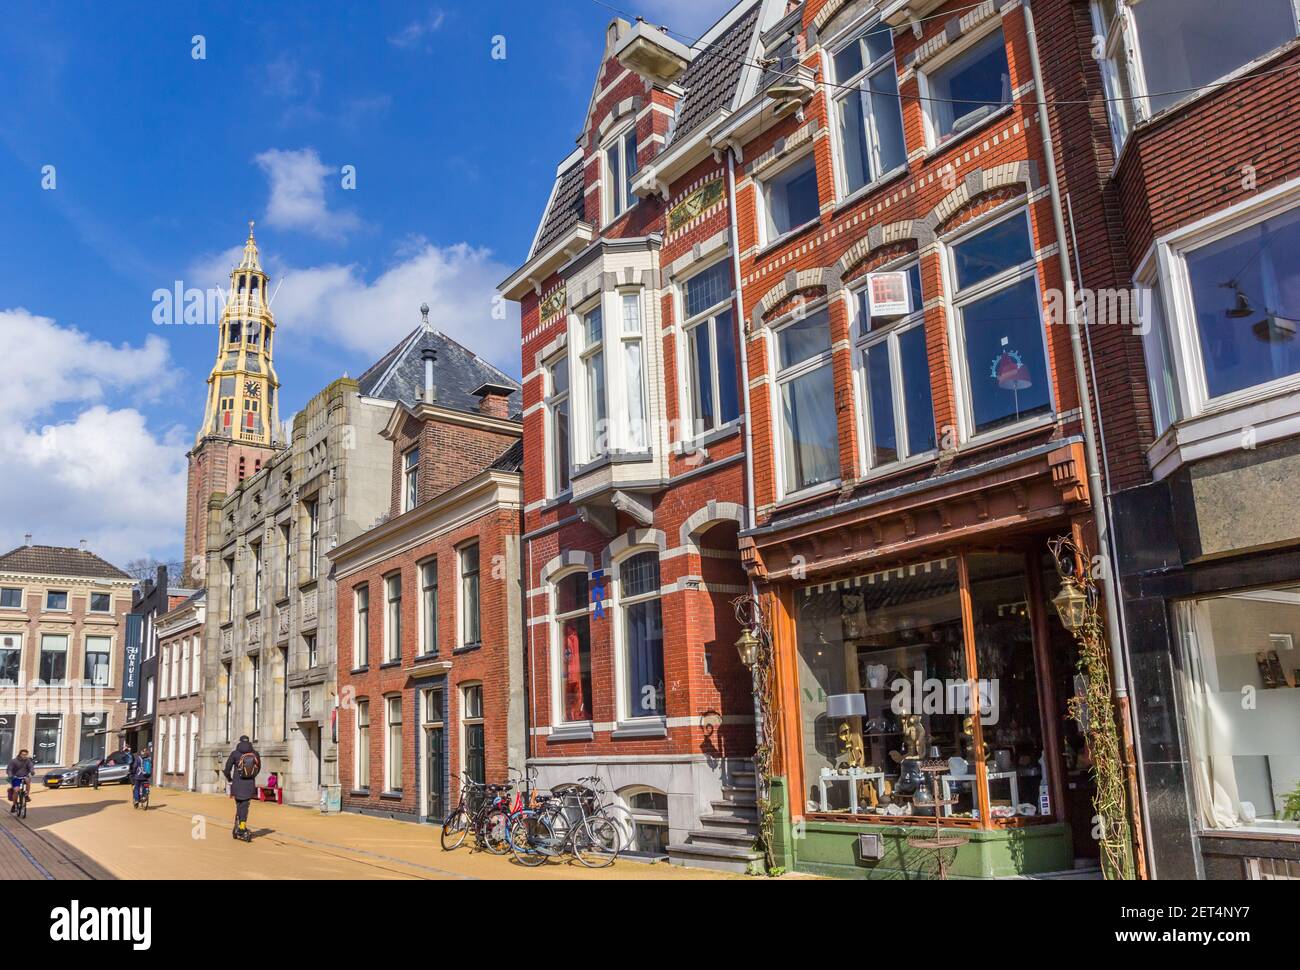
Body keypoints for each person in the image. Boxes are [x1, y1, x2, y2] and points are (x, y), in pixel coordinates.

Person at [222, 736, 261, 842]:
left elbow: (226, 770)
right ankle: (241, 826)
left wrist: (230, 779)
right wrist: (250, 776)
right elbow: (258, 769)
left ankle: (241, 827)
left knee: (240, 804)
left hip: (237, 784)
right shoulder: (255, 754)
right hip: (249, 785)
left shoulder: (235, 753)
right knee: (245, 806)